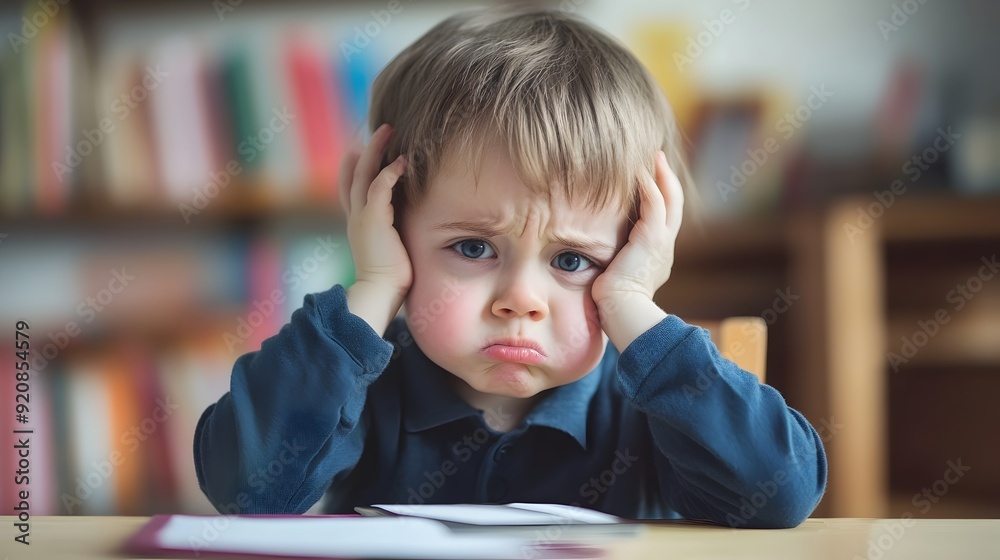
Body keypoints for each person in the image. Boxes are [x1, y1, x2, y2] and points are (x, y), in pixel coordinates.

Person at [194, 6, 827, 528]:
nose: (520, 300)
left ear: (638, 249)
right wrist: (376, 286)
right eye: (473, 247)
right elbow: (249, 493)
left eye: (574, 260)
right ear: (385, 221)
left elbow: (779, 496)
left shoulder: (654, 401)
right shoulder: (355, 383)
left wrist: (633, 302)